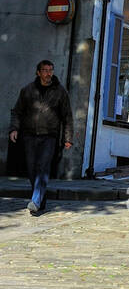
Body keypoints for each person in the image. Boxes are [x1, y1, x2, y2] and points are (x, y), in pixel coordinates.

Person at [9, 60, 73, 215]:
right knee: (32, 170)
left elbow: (67, 116)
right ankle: (40, 200)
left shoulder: (60, 91)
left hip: (49, 136)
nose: (48, 73)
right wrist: (14, 129)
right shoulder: (27, 90)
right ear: (38, 72)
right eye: (45, 70)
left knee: (42, 168)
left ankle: (35, 201)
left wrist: (67, 138)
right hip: (29, 135)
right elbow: (17, 111)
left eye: (51, 70)